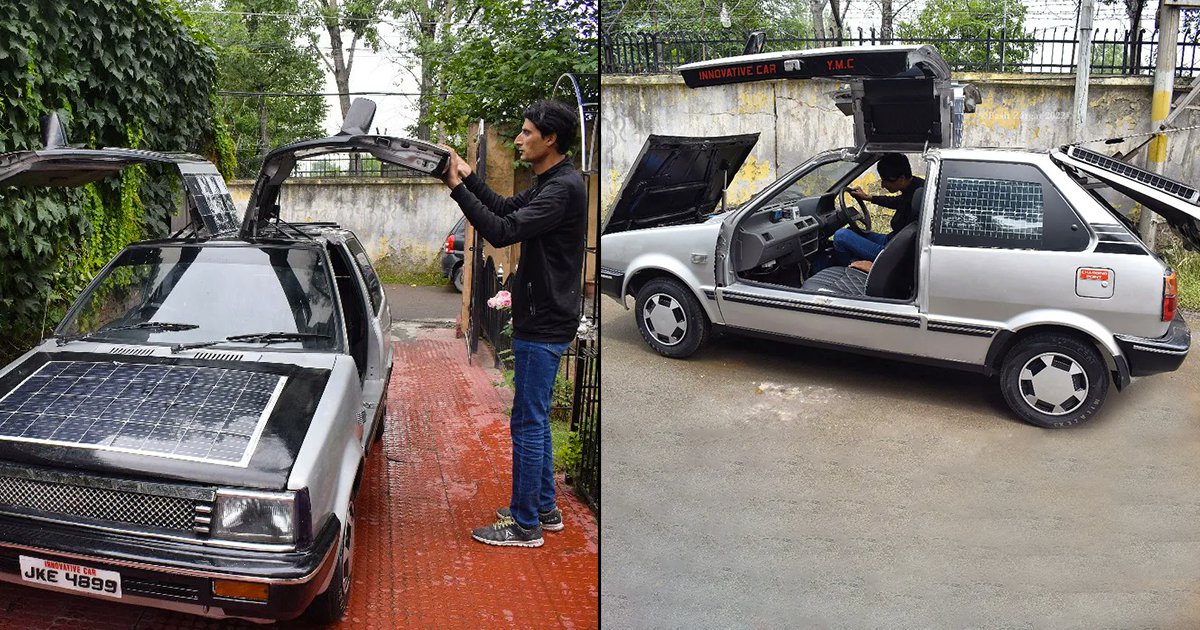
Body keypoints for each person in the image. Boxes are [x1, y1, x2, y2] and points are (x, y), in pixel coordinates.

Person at [439, 100, 586, 548]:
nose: (519, 140)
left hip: (545, 322)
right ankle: (544, 509)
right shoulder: (553, 182)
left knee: (527, 421)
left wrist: (454, 188)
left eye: (526, 132)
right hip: (541, 316)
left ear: (550, 138)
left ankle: (525, 526)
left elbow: (503, 231)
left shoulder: (562, 189)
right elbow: (503, 206)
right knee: (534, 418)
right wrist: (467, 175)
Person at [828, 153, 924, 273]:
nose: (883, 185)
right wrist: (868, 198)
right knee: (851, 230)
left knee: (840, 236)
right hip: (891, 240)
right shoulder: (916, 187)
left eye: (886, 181)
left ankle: (850, 272)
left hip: (890, 252)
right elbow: (897, 201)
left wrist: (875, 266)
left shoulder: (919, 198)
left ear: (901, 178)